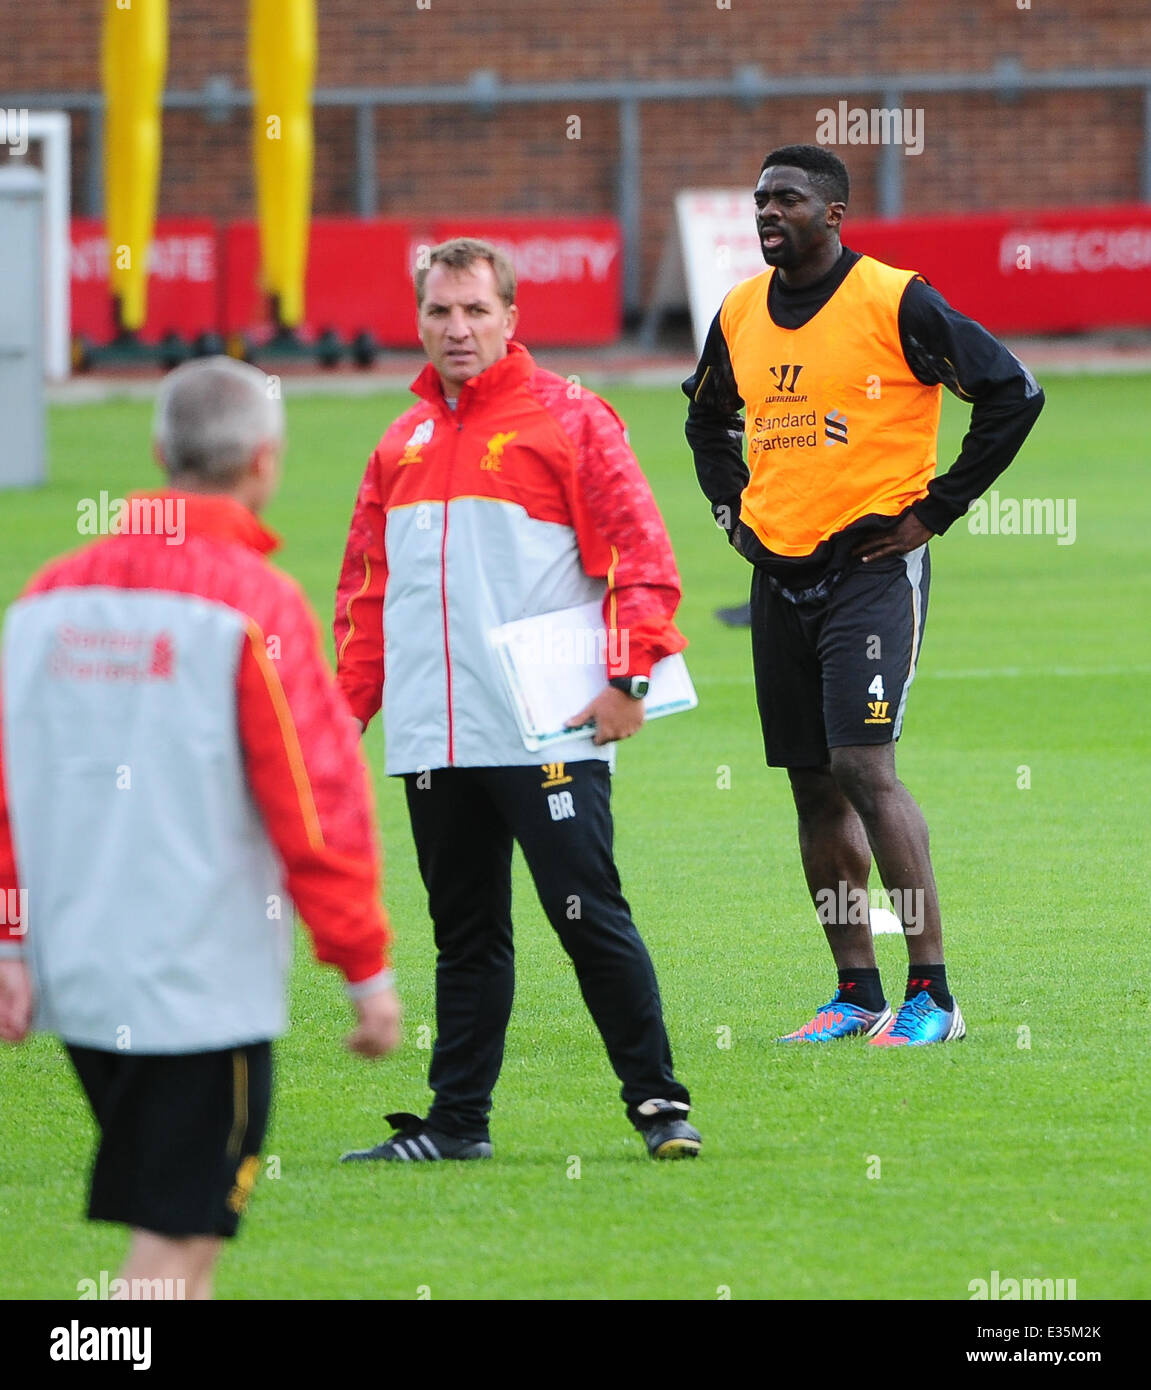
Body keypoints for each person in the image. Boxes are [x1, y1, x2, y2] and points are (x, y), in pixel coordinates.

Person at [0, 357, 401, 1299]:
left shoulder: (45, 599)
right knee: (172, 1244)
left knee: (188, 1239)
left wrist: (11, 942)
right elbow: (314, 803)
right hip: (198, 986)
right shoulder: (253, 606)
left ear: (155, 453)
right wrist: (365, 969)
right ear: (264, 463)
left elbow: (7, 792)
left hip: (83, 976)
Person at [334, 237, 700, 1160]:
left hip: (546, 731)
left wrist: (628, 679)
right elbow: (366, 594)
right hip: (433, 737)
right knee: (464, 939)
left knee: (589, 917)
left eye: (474, 311)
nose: (456, 330)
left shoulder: (572, 418)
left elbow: (639, 558)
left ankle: (660, 1108)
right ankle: (456, 1127)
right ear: (418, 321)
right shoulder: (399, 443)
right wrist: (345, 713)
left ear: (511, 318)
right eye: (439, 313)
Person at [684, 145, 1044, 1046]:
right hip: (779, 571)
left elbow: (1011, 392)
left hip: (872, 567)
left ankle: (935, 996)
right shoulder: (736, 312)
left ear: (834, 213)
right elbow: (704, 418)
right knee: (811, 784)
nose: (767, 213)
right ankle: (854, 993)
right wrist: (731, 509)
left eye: (787, 199)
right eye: (759, 200)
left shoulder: (894, 300)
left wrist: (939, 509)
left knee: (862, 768)